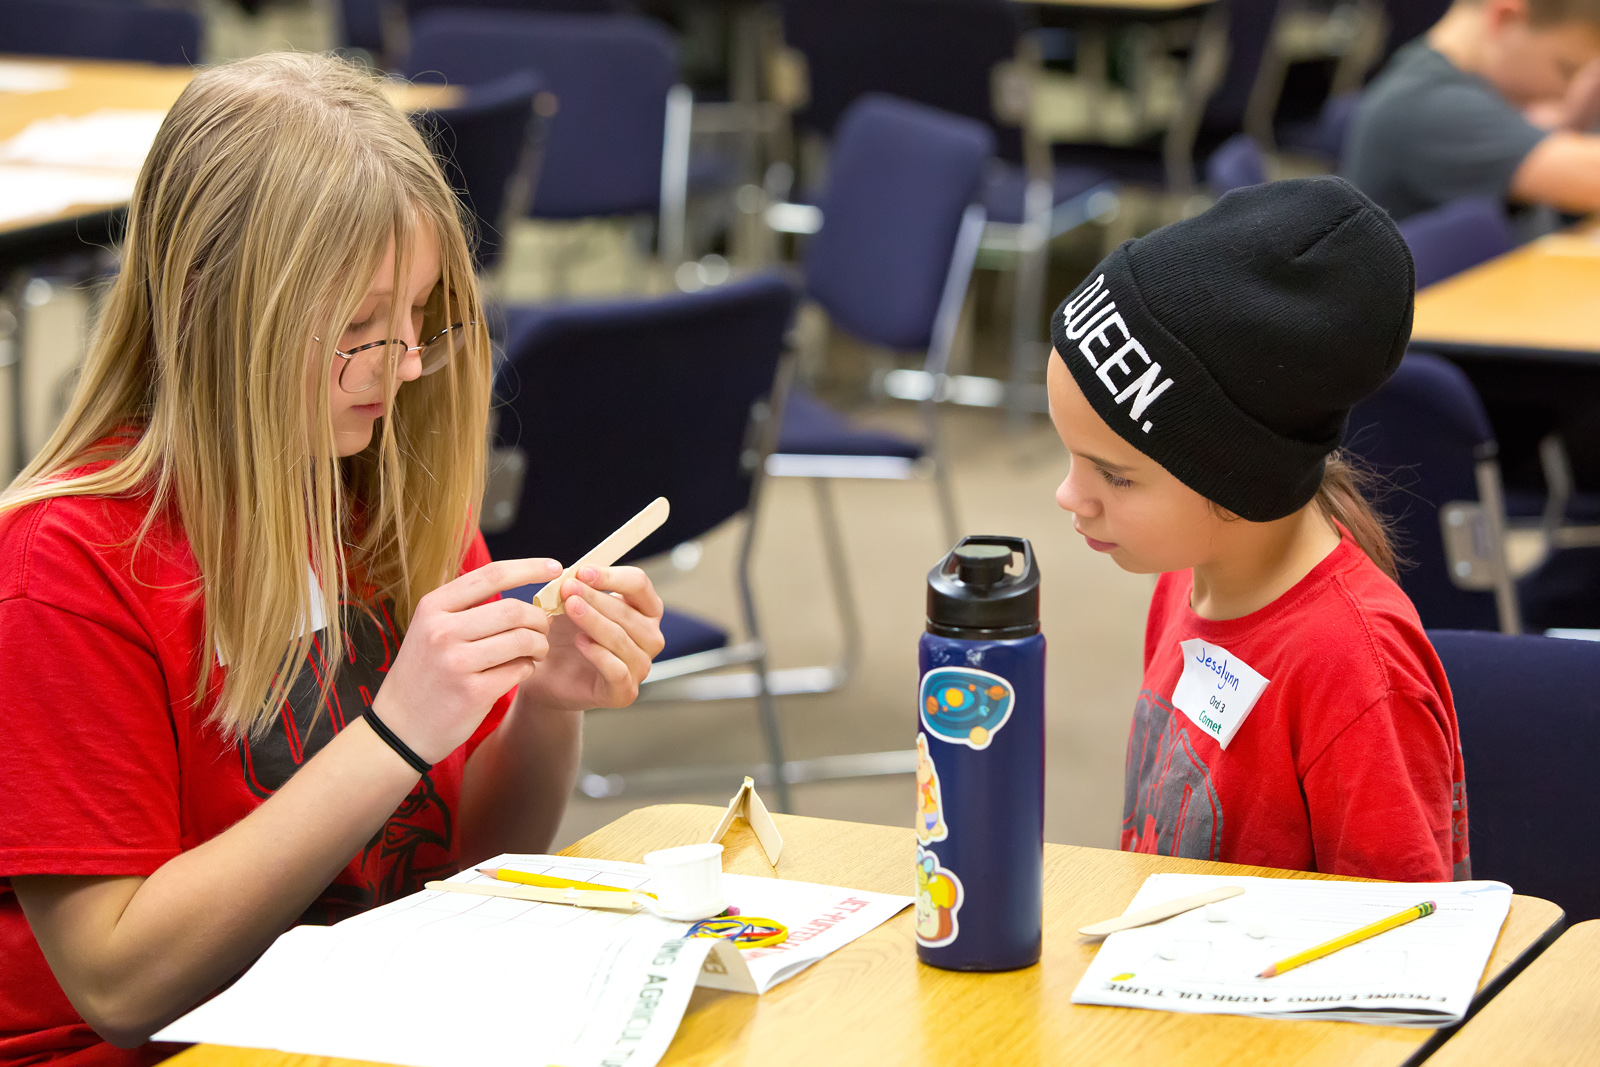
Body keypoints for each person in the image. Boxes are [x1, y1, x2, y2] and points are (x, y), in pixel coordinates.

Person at [0, 53, 665, 1067]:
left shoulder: (384, 494)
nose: (403, 367)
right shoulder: (65, 567)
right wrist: (394, 731)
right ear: (207, 311)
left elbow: (466, 870)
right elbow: (121, 984)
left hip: (358, 1013)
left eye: (419, 316)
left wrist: (546, 705)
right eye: (359, 329)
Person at [1046, 176, 1470, 883]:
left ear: (1237, 478)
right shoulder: (1187, 574)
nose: (1069, 496)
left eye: (1113, 475)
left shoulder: (1355, 671)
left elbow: (1402, 949)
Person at [1345, 0, 1600, 238]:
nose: (1565, 92)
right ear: (1505, 19)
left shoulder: (1472, 88)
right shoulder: (1427, 103)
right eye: (1566, 69)